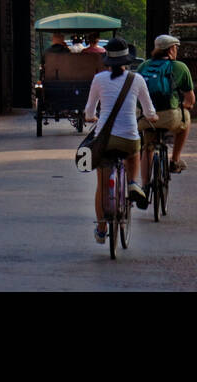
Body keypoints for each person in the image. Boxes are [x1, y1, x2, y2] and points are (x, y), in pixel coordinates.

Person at [84, 37, 158, 243]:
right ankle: (133, 182)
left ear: (108, 60)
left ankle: (101, 229)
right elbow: (149, 110)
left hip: (105, 140)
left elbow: (89, 110)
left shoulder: (99, 79)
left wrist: (91, 117)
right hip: (128, 138)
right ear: (127, 60)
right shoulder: (137, 79)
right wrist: (152, 117)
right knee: (134, 153)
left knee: (101, 185)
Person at [137, 34, 195, 180]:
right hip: (170, 118)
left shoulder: (143, 66)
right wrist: (184, 107)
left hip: (146, 118)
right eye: (176, 48)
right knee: (186, 119)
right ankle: (175, 160)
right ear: (171, 50)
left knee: (147, 148)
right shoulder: (180, 67)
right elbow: (190, 99)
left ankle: (145, 185)